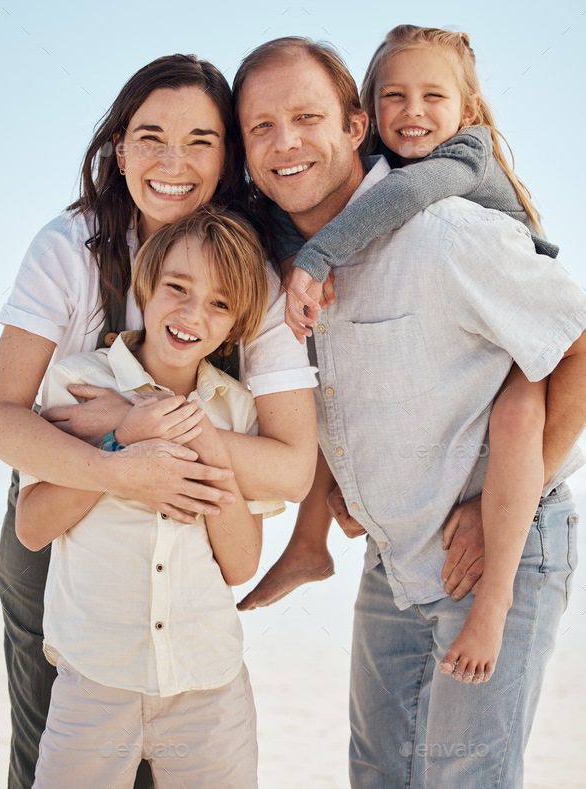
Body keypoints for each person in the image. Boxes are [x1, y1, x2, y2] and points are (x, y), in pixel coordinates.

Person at [233, 35, 586, 787]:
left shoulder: (446, 233)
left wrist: (504, 513)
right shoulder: (281, 263)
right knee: (379, 773)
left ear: (356, 126)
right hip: (393, 560)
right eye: (261, 126)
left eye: (305, 116)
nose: (284, 142)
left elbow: (579, 345)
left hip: (503, 553)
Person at [0, 54, 317, 789]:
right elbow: (1, 414)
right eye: (151, 137)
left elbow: (289, 465)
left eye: (202, 140)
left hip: (188, 553)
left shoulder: (253, 271)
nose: (174, 161)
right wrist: (117, 458)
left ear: (228, 156)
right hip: (57, 534)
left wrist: (155, 424)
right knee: (43, 753)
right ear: (119, 146)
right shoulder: (70, 248)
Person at [16, 207, 278, 789]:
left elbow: (240, 564)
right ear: (146, 287)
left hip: (208, 689)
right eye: (177, 288)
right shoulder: (79, 384)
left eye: (219, 303)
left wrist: (192, 435)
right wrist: (121, 442)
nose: (191, 314)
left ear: (235, 327)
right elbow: (32, 528)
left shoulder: (235, 411)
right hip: (94, 685)